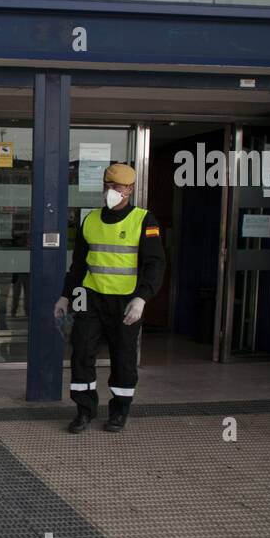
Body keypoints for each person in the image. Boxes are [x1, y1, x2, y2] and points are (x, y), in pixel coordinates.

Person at [54, 162, 166, 433]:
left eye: (117, 186)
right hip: (91, 299)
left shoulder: (144, 220)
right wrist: (65, 296)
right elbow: (79, 264)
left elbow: (155, 263)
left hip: (126, 302)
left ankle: (119, 411)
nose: (111, 191)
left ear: (130, 189)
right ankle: (84, 410)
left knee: (123, 357)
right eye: (107, 185)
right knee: (81, 353)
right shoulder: (90, 219)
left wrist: (142, 298)